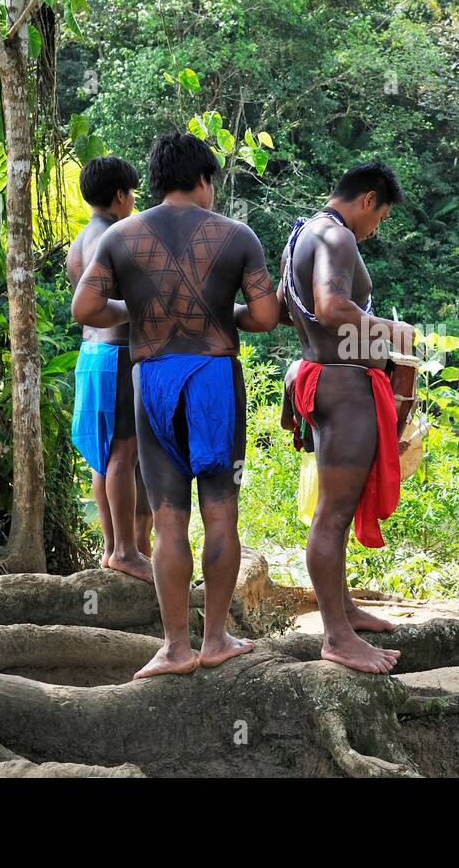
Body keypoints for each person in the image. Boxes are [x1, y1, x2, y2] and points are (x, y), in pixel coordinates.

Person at [72, 133, 278, 677]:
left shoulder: (120, 234)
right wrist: (217, 315)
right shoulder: (236, 236)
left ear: (157, 181)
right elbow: (264, 315)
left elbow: (85, 307)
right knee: (220, 514)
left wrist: (141, 311)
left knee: (168, 521)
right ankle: (215, 640)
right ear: (204, 179)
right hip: (213, 377)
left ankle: (175, 648)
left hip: (151, 379)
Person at [278, 162, 415, 674]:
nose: (374, 228)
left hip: (321, 380)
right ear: (368, 200)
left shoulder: (299, 234)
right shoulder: (337, 238)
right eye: (378, 218)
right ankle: (336, 638)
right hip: (343, 385)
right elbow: (332, 306)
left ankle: (346, 611)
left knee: (335, 509)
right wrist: (391, 330)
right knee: (332, 516)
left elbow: (280, 305)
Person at [67, 155, 153, 582]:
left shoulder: (81, 238)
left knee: (105, 459)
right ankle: (125, 551)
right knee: (124, 453)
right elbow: (105, 303)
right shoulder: (118, 236)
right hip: (118, 356)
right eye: (133, 193)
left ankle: (117, 547)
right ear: (121, 195)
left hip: (90, 355)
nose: (135, 201)